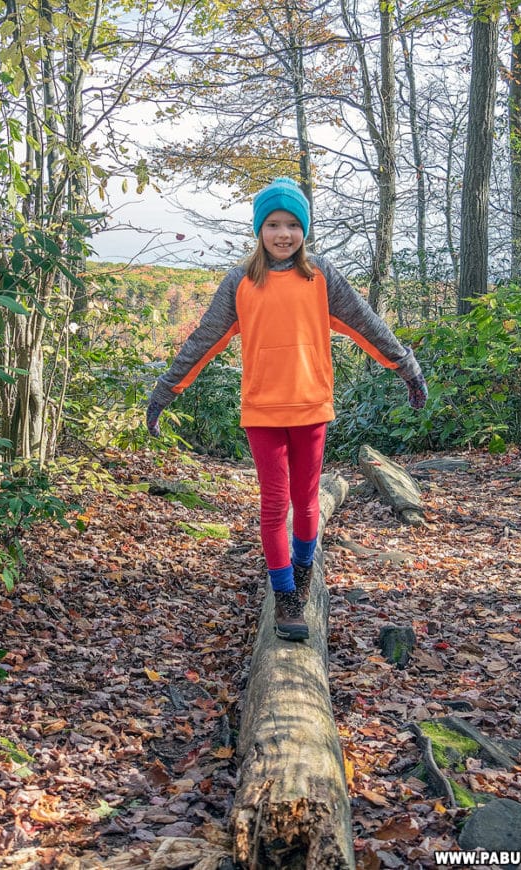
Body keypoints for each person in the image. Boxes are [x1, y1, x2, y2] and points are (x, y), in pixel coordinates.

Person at [146, 178, 427, 642]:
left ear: (304, 230)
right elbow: (203, 341)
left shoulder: (320, 277)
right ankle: (285, 595)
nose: (283, 234)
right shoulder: (240, 281)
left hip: (312, 406)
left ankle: (302, 568)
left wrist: (406, 367)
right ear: (259, 229)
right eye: (273, 224)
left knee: (306, 500)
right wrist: (165, 391)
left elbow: (366, 324)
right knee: (275, 504)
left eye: (293, 224)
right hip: (262, 412)